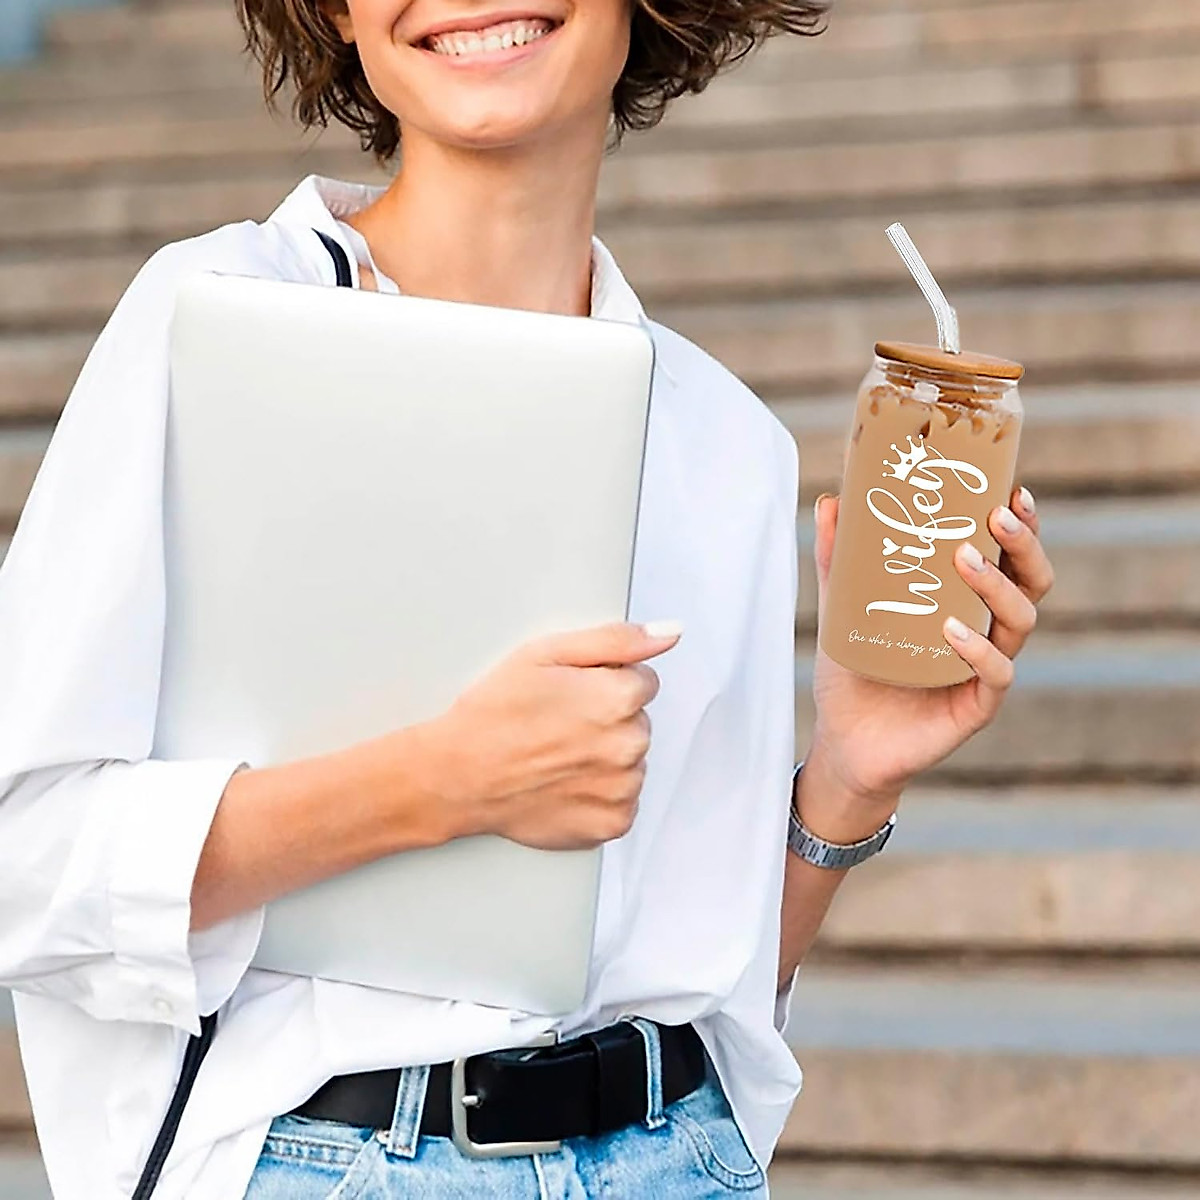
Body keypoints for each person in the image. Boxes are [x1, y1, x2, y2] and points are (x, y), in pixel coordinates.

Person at [0, 0, 1055, 1194]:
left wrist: (852, 778)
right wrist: (440, 782)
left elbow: (712, 989)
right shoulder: (209, 320)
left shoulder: (725, 443)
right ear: (339, 15)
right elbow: (26, 857)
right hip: (334, 1160)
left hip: (677, 1155)